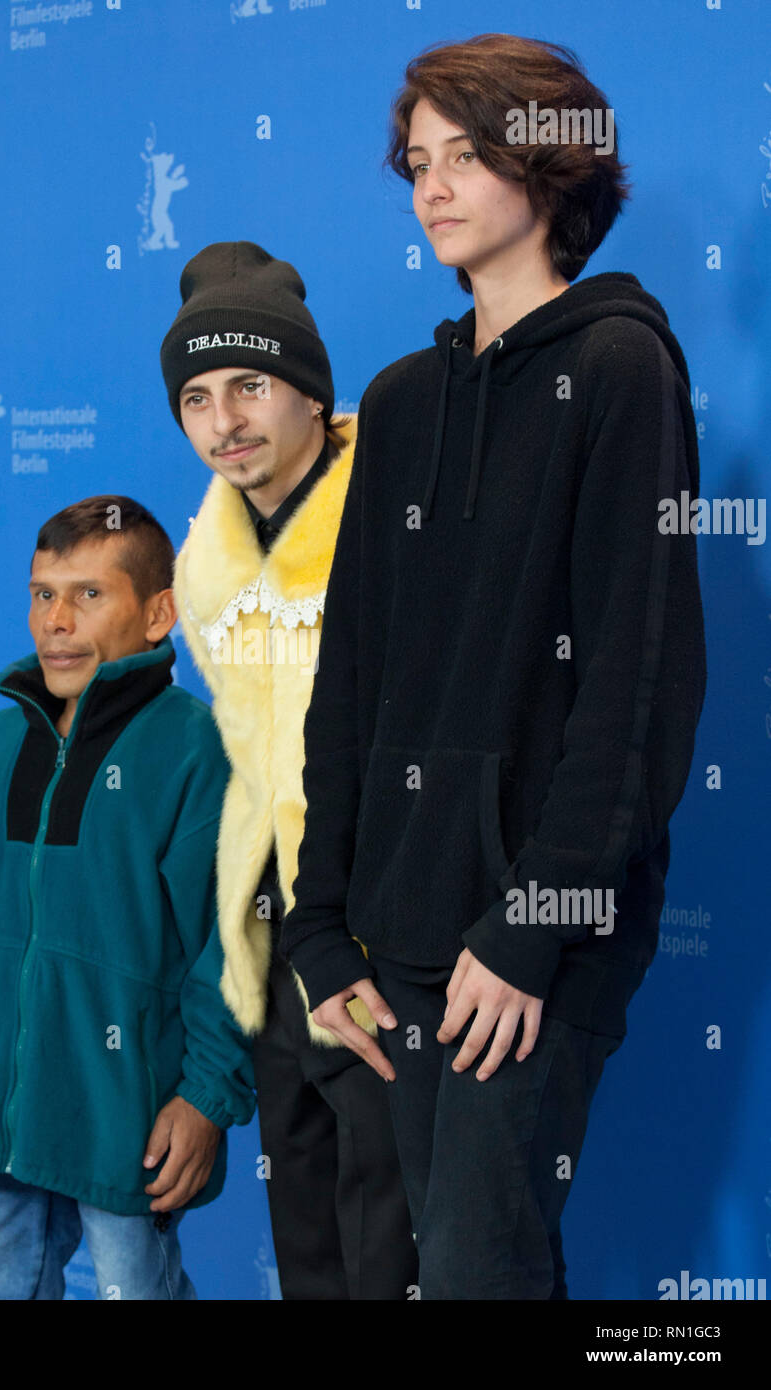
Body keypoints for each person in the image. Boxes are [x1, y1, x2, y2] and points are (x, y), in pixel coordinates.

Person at [279, 33, 707, 1299]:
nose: (432, 187)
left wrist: (533, 925)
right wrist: (318, 924)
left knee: (480, 1269)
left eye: (463, 155)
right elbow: (349, 677)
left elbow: (636, 683)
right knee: (443, 1265)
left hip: (540, 927)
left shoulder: (621, 366)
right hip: (397, 920)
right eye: (417, 163)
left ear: (548, 160)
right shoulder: (400, 401)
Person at [0, 495, 255, 1300]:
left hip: (125, 1115)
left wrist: (205, 1099)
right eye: (43, 594)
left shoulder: (197, 750)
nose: (56, 621)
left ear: (158, 614)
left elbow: (232, 948)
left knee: (135, 1290)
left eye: (88, 594)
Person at [162, 241, 418, 1299]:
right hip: (269, 942)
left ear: (311, 392)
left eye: (250, 386)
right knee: (309, 1252)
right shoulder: (205, 560)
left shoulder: (395, 512)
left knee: (396, 1252)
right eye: (197, 397)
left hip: (385, 936)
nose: (224, 421)